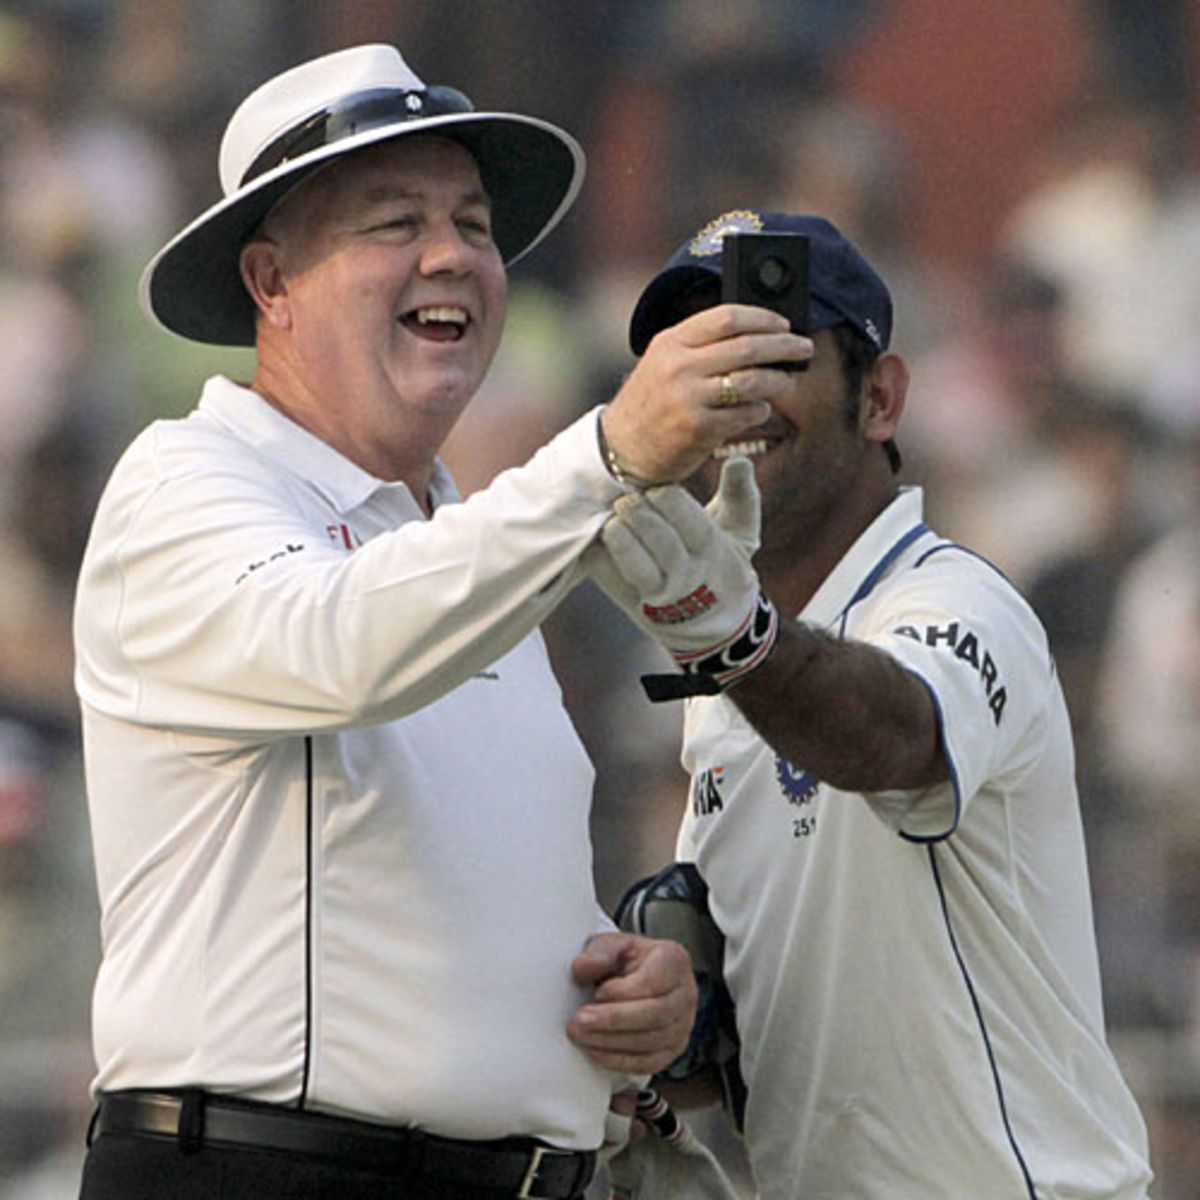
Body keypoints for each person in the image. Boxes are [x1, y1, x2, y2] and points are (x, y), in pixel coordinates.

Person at [71, 48, 812, 1200]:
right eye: (393, 223)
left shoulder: (469, 544)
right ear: (271, 281)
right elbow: (342, 650)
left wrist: (622, 992)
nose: (452, 254)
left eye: (473, 223)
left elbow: (440, 881)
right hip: (263, 1174)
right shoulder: (184, 481)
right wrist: (606, 457)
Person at [586, 209, 1154, 1198]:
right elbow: (768, 1035)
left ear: (880, 397)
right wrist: (667, 1026)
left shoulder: (958, 600)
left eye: (773, 353)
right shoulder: (727, 665)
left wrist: (727, 631)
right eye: (701, 363)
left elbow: (890, 741)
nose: (734, 392)